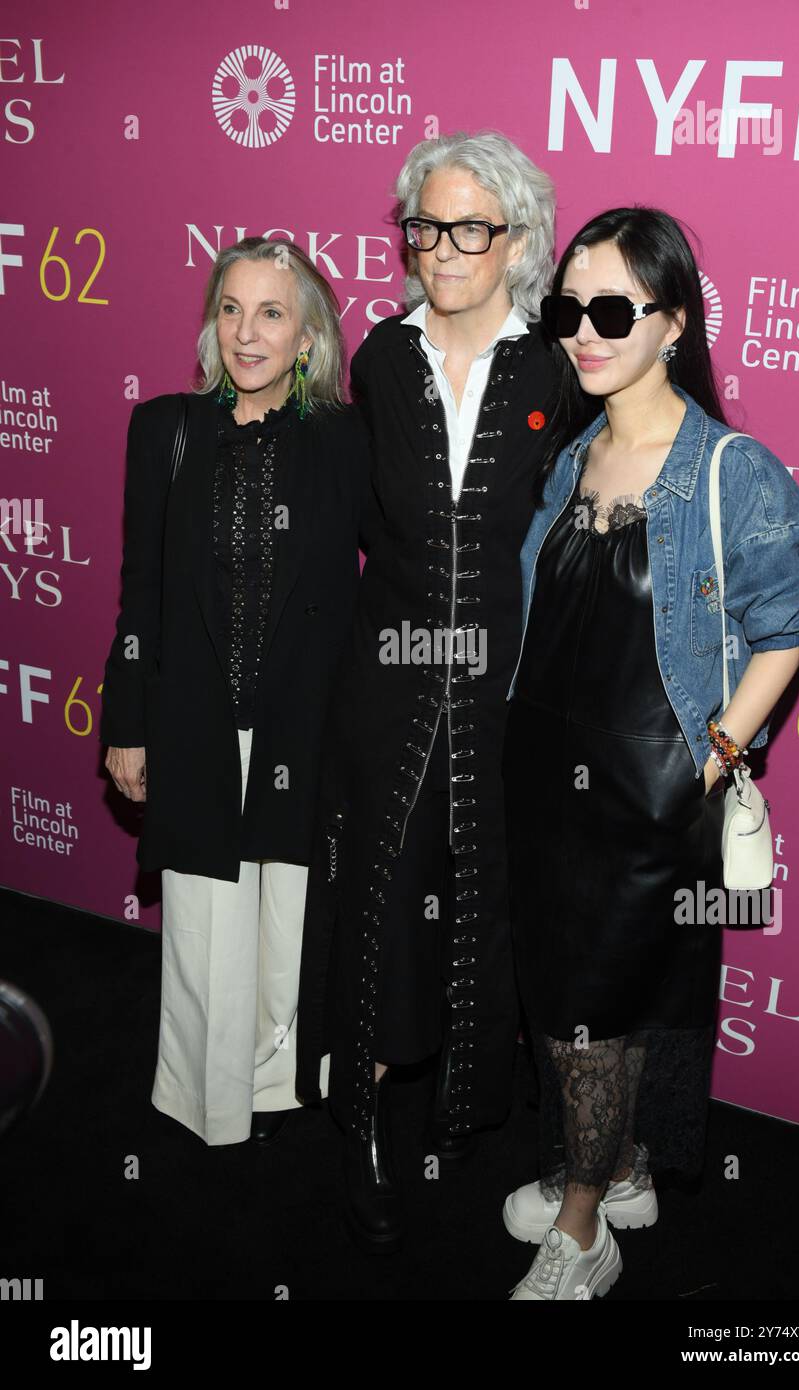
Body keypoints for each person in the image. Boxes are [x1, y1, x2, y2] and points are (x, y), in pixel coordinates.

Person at [500, 206, 799, 1300]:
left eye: (613, 309)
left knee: (590, 1019)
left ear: (672, 322)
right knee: (565, 1004)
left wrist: (711, 757)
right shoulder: (570, 455)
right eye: (568, 309)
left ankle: (583, 1224)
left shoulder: (728, 469)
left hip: (651, 798)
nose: (586, 331)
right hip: (546, 785)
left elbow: (789, 626)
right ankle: (622, 1168)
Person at [295, 130, 560, 1251]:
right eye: (422, 227)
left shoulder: (555, 367)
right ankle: (359, 1126)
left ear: (516, 240)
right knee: (376, 904)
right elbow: (345, 520)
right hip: (386, 683)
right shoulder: (379, 359)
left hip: (503, 689)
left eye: (467, 229)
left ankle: (468, 1113)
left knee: (489, 899)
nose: (439, 251)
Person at [100, 236, 368, 1147]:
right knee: (205, 922)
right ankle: (205, 1098)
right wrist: (128, 721)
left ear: (307, 339)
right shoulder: (164, 429)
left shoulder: (343, 441)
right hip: (195, 721)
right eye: (229, 309)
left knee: (289, 917)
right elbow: (141, 589)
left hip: (304, 724)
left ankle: (278, 1084)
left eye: (271, 314)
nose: (246, 335)